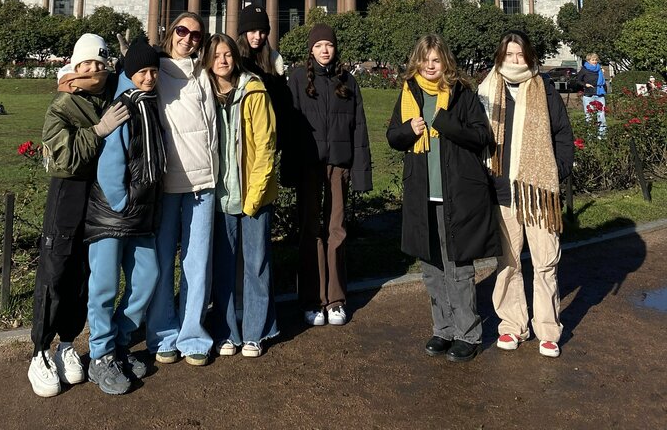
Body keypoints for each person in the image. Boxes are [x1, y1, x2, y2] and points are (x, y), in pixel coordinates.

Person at [386, 34, 499, 362]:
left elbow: (482, 136)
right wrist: (409, 130)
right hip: (422, 193)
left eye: (436, 60)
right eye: (425, 60)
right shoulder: (409, 93)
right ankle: (443, 329)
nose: (430, 66)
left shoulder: (462, 94)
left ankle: (468, 334)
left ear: (446, 62)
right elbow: (393, 136)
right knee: (431, 266)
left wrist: (446, 123)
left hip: (457, 193)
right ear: (417, 62)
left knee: (458, 266)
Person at [28, 33, 129, 398]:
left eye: (100, 64)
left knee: (84, 272)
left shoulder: (108, 94)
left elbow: (135, 73)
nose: (94, 70)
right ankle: (40, 351)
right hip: (68, 193)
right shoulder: (63, 104)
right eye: (87, 64)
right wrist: (98, 131)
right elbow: (63, 158)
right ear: (75, 65)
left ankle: (67, 342)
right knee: (56, 269)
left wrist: (129, 55)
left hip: (97, 195)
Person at [478, 31, 574, 358]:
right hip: (502, 190)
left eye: (520, 54)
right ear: (500, 56)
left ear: (529, 56)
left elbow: (562, 133)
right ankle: (512, 324)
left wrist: (556, 170)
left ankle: (548, 330)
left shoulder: (543, 88)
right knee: (508, 263)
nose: (515, 60)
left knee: (546, 261)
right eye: (509, 54)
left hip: (539, 192)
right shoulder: (487, 90)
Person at [85, 38, 166, 395]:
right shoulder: (124, 105)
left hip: (138, 212)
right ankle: (100, 355)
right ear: (130, 72)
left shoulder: (148, 103)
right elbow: (110, 163)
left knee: (148, 276)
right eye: (142, 71)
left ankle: (119, 341)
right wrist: (121, 204)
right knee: (104, 285)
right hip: (113, 212)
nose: (149, 77)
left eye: (153, 71)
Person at [284, 23, 372, 327]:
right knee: (310, 230)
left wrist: (361, 173)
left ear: (335, 49)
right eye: (319, 45)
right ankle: (312, 300)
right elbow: (291, 127)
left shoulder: (348, 81)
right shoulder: (298, 79)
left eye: (329, 45)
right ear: (311, 49)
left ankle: (335, 300)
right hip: (309, 165)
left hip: (339, 164)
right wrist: (289, 170)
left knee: (337, 230)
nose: (325, 50)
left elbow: (360, 128)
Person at [145, 12, 218, 366]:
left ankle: (193, 335)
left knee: (197, 262)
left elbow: (213, 126)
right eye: (182, 31)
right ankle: (162, 333)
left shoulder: (204, 73)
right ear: (170, 31)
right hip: (167, 181)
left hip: (203, 181)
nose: (187, 39)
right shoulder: (155, 72)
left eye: (196, 35)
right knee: (162, 260)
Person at [206, 33, 278, 358]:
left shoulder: (254, 90)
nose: (222, 60)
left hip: (253, 193)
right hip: (220, 195)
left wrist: (256, 194)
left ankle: (255, 332)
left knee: (257, 264)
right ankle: (226, 332)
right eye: (216, 55)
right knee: (223, 267)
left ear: (235, 57)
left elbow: (265, 145)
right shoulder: (204, 93)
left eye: (227, 54)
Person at [236, 4, 291, 149]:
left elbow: (282, 101)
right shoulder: (233, 58)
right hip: (240, 131)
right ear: (243, 32)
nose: (257, 37)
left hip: (267, 131)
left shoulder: (274, 59)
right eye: (253, 31)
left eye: (262, 32)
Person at [574, 53, 607, 139]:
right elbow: (578, 80)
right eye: (593, 60)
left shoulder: (600, 69)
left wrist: (602, 73)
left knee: (601, 114)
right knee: (589, 115)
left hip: (599, 94)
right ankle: (590, 136)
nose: (595, 61)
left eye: (596, 60)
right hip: (589, 95)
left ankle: (602, 136)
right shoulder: (584, 69)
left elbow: (603, 82)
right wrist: (585, 84)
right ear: (588, 61)